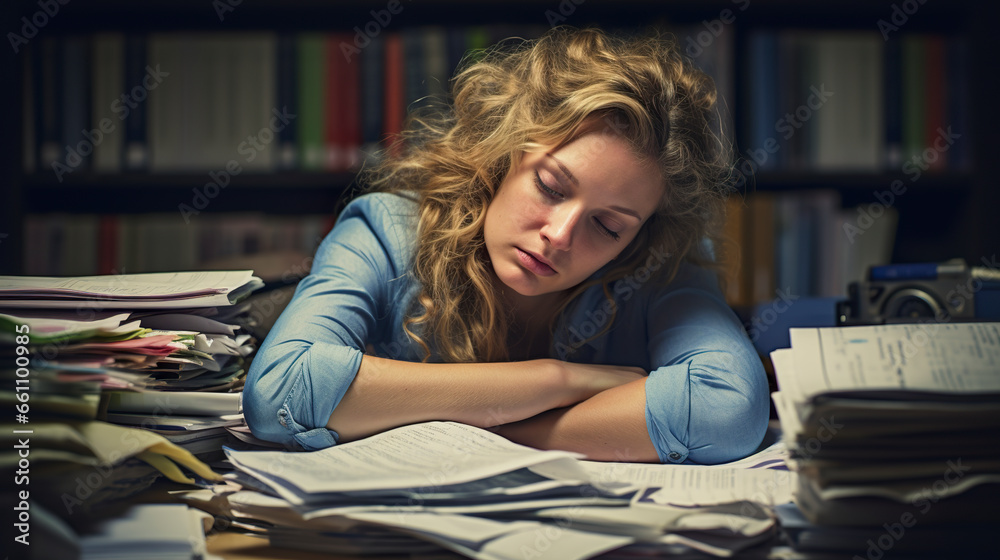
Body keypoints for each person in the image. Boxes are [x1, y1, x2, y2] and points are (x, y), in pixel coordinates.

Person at [243, 26, 769, 464]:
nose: (560, 236)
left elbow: (729, 408)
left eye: (608, 227)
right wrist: (557, 380)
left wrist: (482, 435)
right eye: (551, 187)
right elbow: (281, 391)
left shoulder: (659, 263)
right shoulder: (385, 229)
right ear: (504, 152)